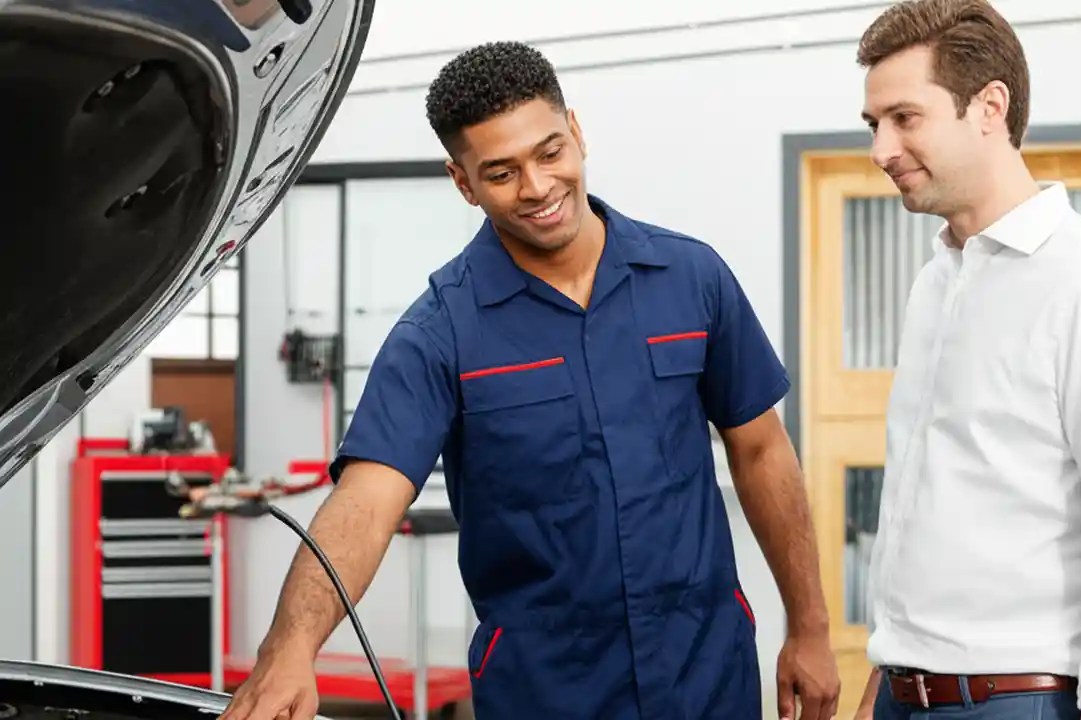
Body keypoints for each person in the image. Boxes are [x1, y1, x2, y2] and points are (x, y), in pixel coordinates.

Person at [218, 41, 841, 720]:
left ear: (575, 131)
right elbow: (366, 503)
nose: (539, 187)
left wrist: (809, 627)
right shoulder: (441, 332)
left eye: (550, 153)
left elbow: (761, 450)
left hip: (706, 674)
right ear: (463, 181)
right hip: (547, 692)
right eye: (502, 172)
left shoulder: (692, 280)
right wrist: (291, 647)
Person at [849, 1, 1081, 719]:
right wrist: (888, 669)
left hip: (1016, 701)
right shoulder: (935, 281)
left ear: (989, 107)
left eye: (905, 118)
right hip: (906, 691)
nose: (880, 149)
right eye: (873, 125)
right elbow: (925, 500)